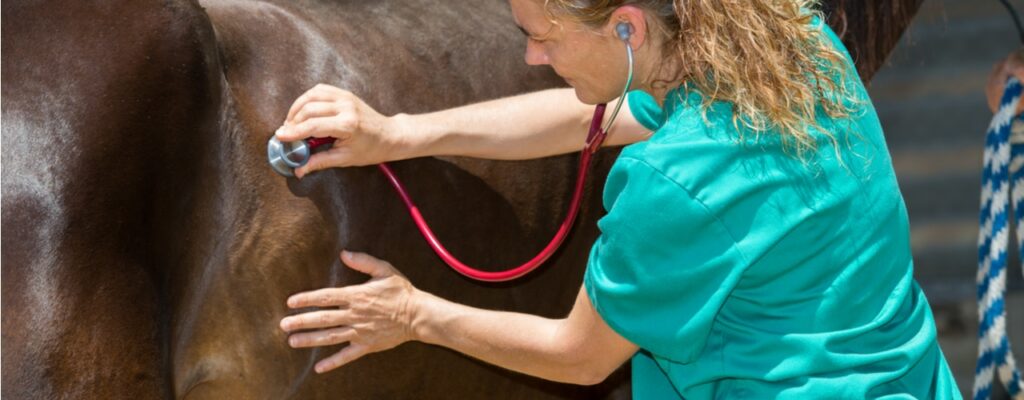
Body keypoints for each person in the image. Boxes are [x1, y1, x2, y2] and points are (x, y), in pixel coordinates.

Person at [275, 0, 961, 397]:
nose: (532, 60)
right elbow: (588, 120)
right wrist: (398, 133)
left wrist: (412, 314)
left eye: (543, 38)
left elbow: (580, 354)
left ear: (627, 27)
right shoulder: (794, 44)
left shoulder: (674, 184)